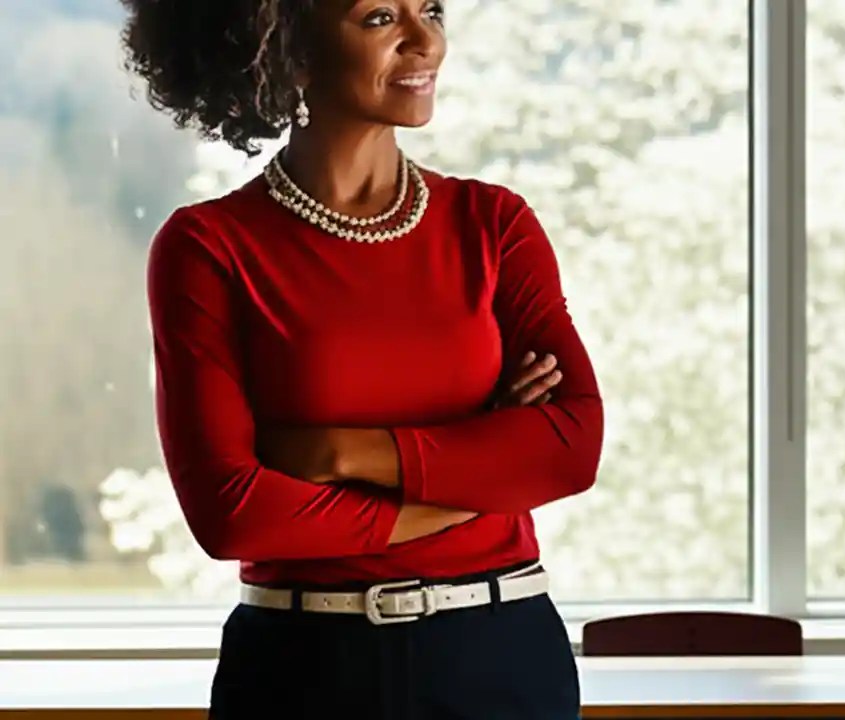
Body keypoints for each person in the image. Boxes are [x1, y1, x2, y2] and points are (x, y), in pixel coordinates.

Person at [118, 1, 605, 717]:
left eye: (430, 9)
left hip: (499, 656)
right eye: (380, 17)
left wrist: (340, 453)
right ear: (290, 50)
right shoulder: (207, 248)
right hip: (300, 669)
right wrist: (479, 468)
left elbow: (570, 447)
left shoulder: (495, 225)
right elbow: (233, 515)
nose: (424, 40)